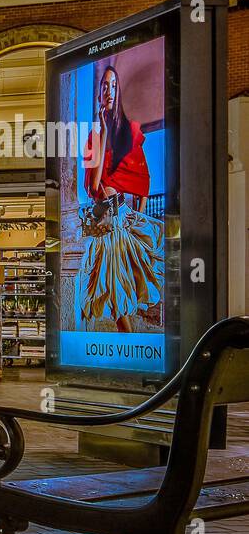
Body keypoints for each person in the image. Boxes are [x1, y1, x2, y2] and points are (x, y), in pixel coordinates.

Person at [76, 64, 162, 333]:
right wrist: (101, 132)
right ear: (99, 94)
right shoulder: (94, 138)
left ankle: (132, 339)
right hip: (103, 222)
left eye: (113, 85)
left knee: (124, 288)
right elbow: (93, 183)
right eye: (104, 86)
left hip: (122, 219)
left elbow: (141, 179)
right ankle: (130, 340)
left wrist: (140, 213)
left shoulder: (129, 132)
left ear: (118, 91)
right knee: (111, 293)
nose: (109, 90)